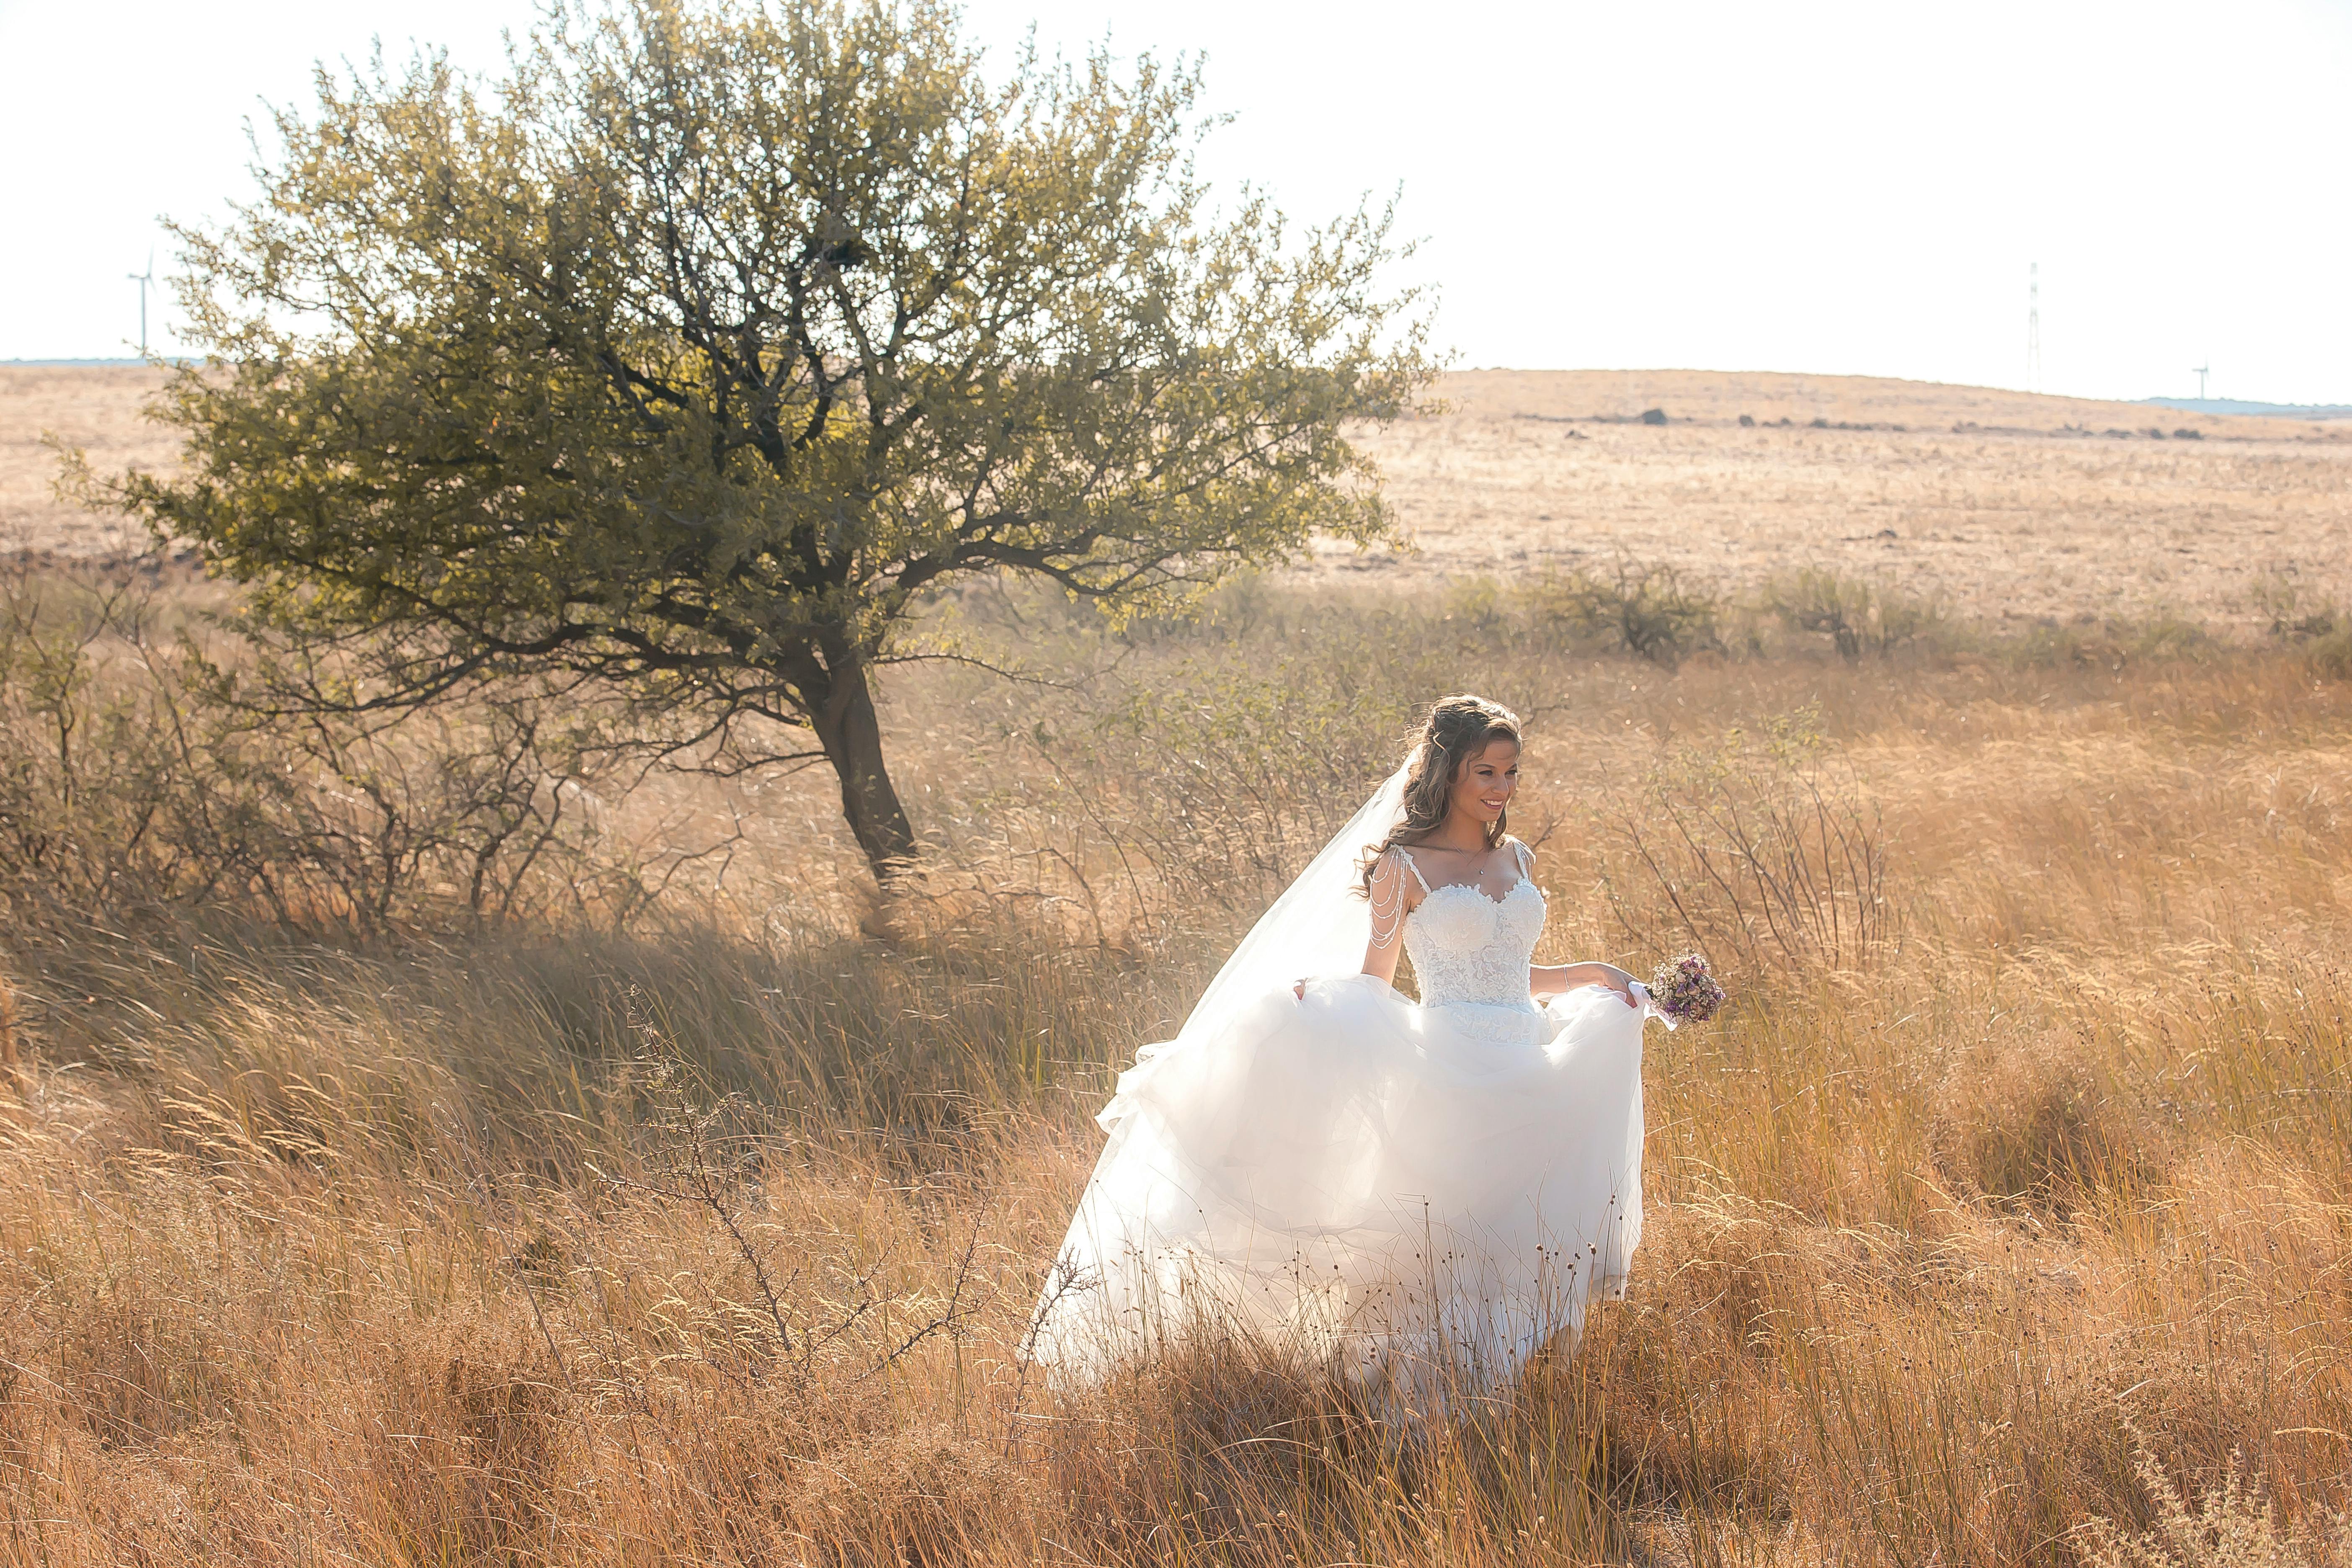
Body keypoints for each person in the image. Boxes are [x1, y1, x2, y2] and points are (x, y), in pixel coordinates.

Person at [1026, 694, 1656, 1407]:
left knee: (1522, 1236)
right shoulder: (1404, 866)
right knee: (1444, 1239)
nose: (1501, 789)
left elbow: (1512, 974)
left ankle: (1504, 1397)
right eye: (1486, 772)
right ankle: (1422, 1404)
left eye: (1511, 773)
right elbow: (1379, 978)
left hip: (1530, 1062)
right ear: (1447, 771)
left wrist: (1600, 977)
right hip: (1453, 1070)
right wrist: (1314, 1003)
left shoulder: (1517, 857)